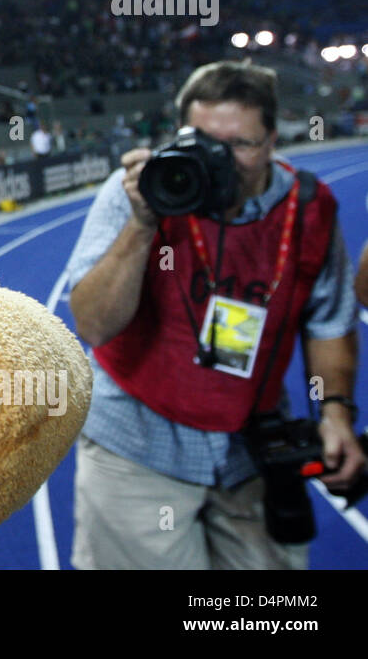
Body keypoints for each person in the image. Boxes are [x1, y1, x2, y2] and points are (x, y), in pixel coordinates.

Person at [65, 61, 363, 569]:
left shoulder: (311, 206)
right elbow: (92, 324)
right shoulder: (139, 190)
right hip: (137, 440)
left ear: (272, 139)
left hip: (251, 443)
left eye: (241, 144)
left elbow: (329, 321)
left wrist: (335, 413)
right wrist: (142, 224)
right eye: (203, 139)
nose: (221, 159)